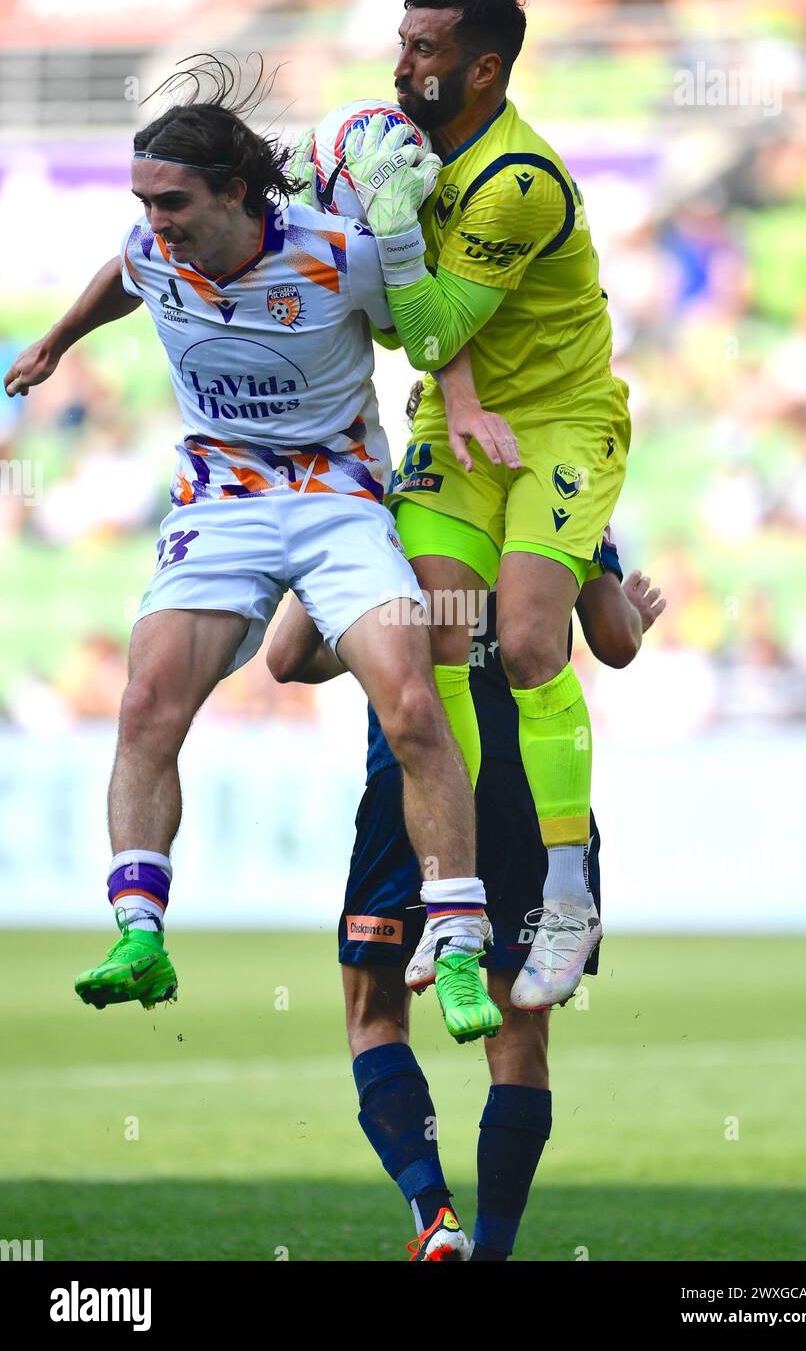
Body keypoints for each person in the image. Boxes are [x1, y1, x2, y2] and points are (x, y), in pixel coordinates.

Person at [3, 68, 503, 1044]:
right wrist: (59, 339)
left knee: (410, 699)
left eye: (173, 200)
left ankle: (453, 939)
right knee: (147, 700)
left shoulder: (334, 255)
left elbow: (425, 326)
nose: (156, 219)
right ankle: (139, 931)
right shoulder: (156, 247)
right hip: (221, 504)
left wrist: (468, 399)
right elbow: (124, 272)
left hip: (338, 502)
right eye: (144, 201)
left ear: (235, 192)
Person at [318, 0, 635, 1010]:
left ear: (482, 67)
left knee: (537, 647)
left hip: (555, 425)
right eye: (401, 41)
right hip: (452, 431)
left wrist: (397, 235)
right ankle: (456, 907)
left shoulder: (515, 179)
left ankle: (565, 892)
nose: (404, 62)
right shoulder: (404, 150)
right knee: (441, 635)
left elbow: (433, 327)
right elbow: (398, 326)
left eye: (424, 48)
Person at [269, 484, 665, 1260]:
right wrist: (635, 616)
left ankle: (431, 1213)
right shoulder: (565, 481)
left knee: (374, 1009)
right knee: (520, 1029)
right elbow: (615, 642)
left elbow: (286, 656)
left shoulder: (382, 500)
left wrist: (390, 644)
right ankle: (492, 1251)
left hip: (414, 787)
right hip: (530, 795)